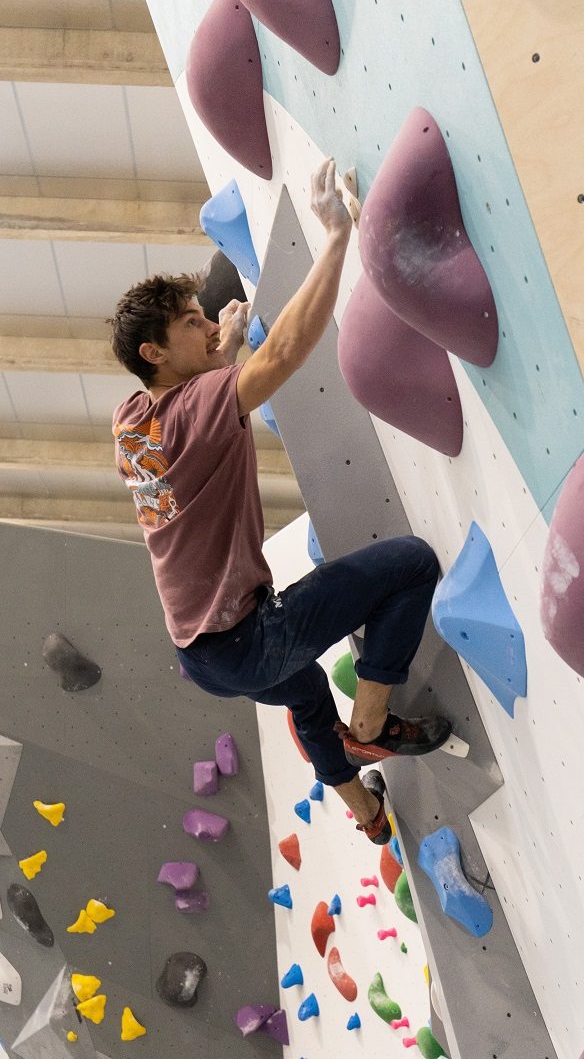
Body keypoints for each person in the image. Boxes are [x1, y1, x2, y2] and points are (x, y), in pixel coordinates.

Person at [109, 158, 450, 845]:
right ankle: (374, 726)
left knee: (305, 693)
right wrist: (332, 238)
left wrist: (217, 347)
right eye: (189, 324)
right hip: (245, 638)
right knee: (412, 564)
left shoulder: (130, 419)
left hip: (201, 654)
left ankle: (370, 817)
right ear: (155, 349)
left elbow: (187, 425)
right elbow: (287, 352)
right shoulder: (197, 405)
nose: (207, 325)